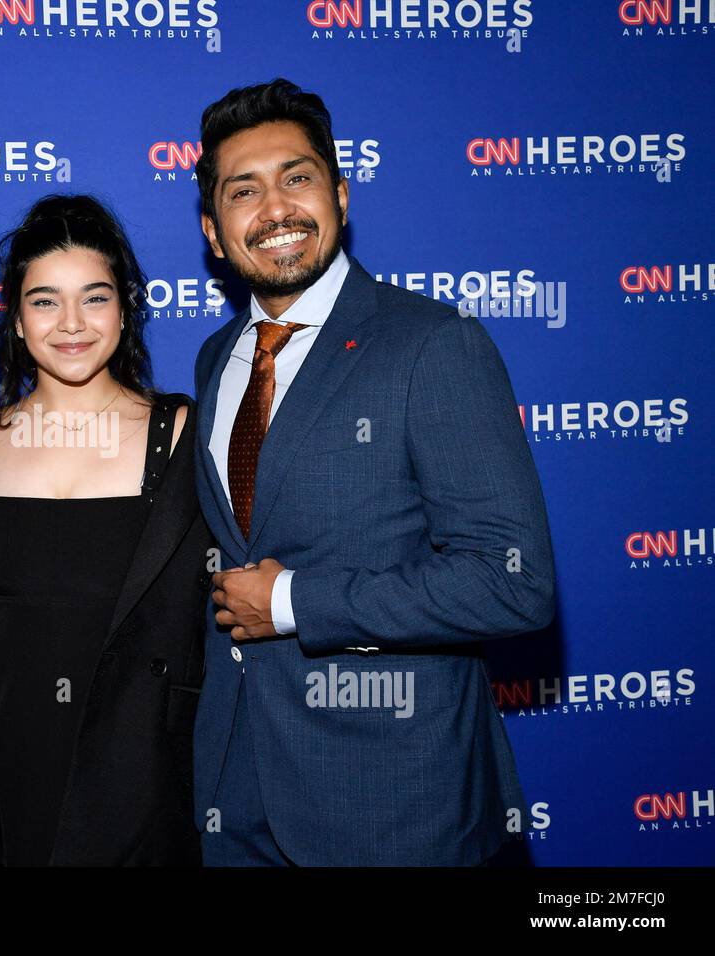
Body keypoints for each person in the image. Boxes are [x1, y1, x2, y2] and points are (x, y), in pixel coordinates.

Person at [190, 78, 556, 866]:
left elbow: (510, 581)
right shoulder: (216, 359)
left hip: (396, 805)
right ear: (214, 234)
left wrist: (292, 601)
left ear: (342, 195)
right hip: (238, 794)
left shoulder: (433, 345)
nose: (276, 209)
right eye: (242, 191)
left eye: (298, 178)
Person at [0, 194, 214, 866]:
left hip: (144, 778)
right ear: (16, 319)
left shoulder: (180, 435)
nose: (72, 324)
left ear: (124, 309)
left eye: (94, 297)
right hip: (7, 769)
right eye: (45, 301)